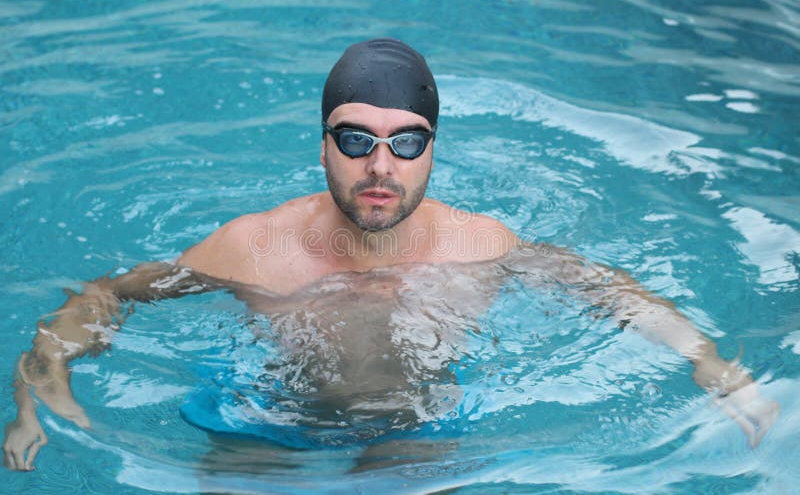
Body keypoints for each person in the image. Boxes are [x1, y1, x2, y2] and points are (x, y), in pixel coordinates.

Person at [3, 39, 778, 472]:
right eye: (355, 140)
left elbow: (612, 293)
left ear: (432, 150)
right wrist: (42, 388)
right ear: (323, 146)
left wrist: (713, 365)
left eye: (406, 142)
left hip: (417, 425)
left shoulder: (482, 244)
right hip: (264, 420)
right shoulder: (252, 247)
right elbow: (109, 295)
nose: (381, 167)